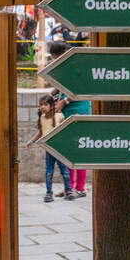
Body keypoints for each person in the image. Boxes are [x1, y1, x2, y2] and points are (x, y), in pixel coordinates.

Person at [47, 40, 91, 199]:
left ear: (64, 53)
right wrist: (50, 96)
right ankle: (69, 187)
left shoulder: (78, 66)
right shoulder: (66, 67)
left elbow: (81, 88)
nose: (55, 62)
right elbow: (61, 86)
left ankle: (80, 188)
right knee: (69, 150)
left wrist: (64, 101)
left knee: (79, 150)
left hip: (79, 109)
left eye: (56, 58)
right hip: (67, 111)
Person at [25, 92, 72, 204]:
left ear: (51, 106)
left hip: (60, 149)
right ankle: (49, 193)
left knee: (64, 171)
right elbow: (41, 132)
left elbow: (66, 130)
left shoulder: (59, 116)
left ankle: (68, 191)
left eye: (45, 104)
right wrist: (31, 141)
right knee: (49, 172)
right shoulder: (42, 118)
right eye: (41, 104)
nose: (42, 107)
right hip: (49, 150)